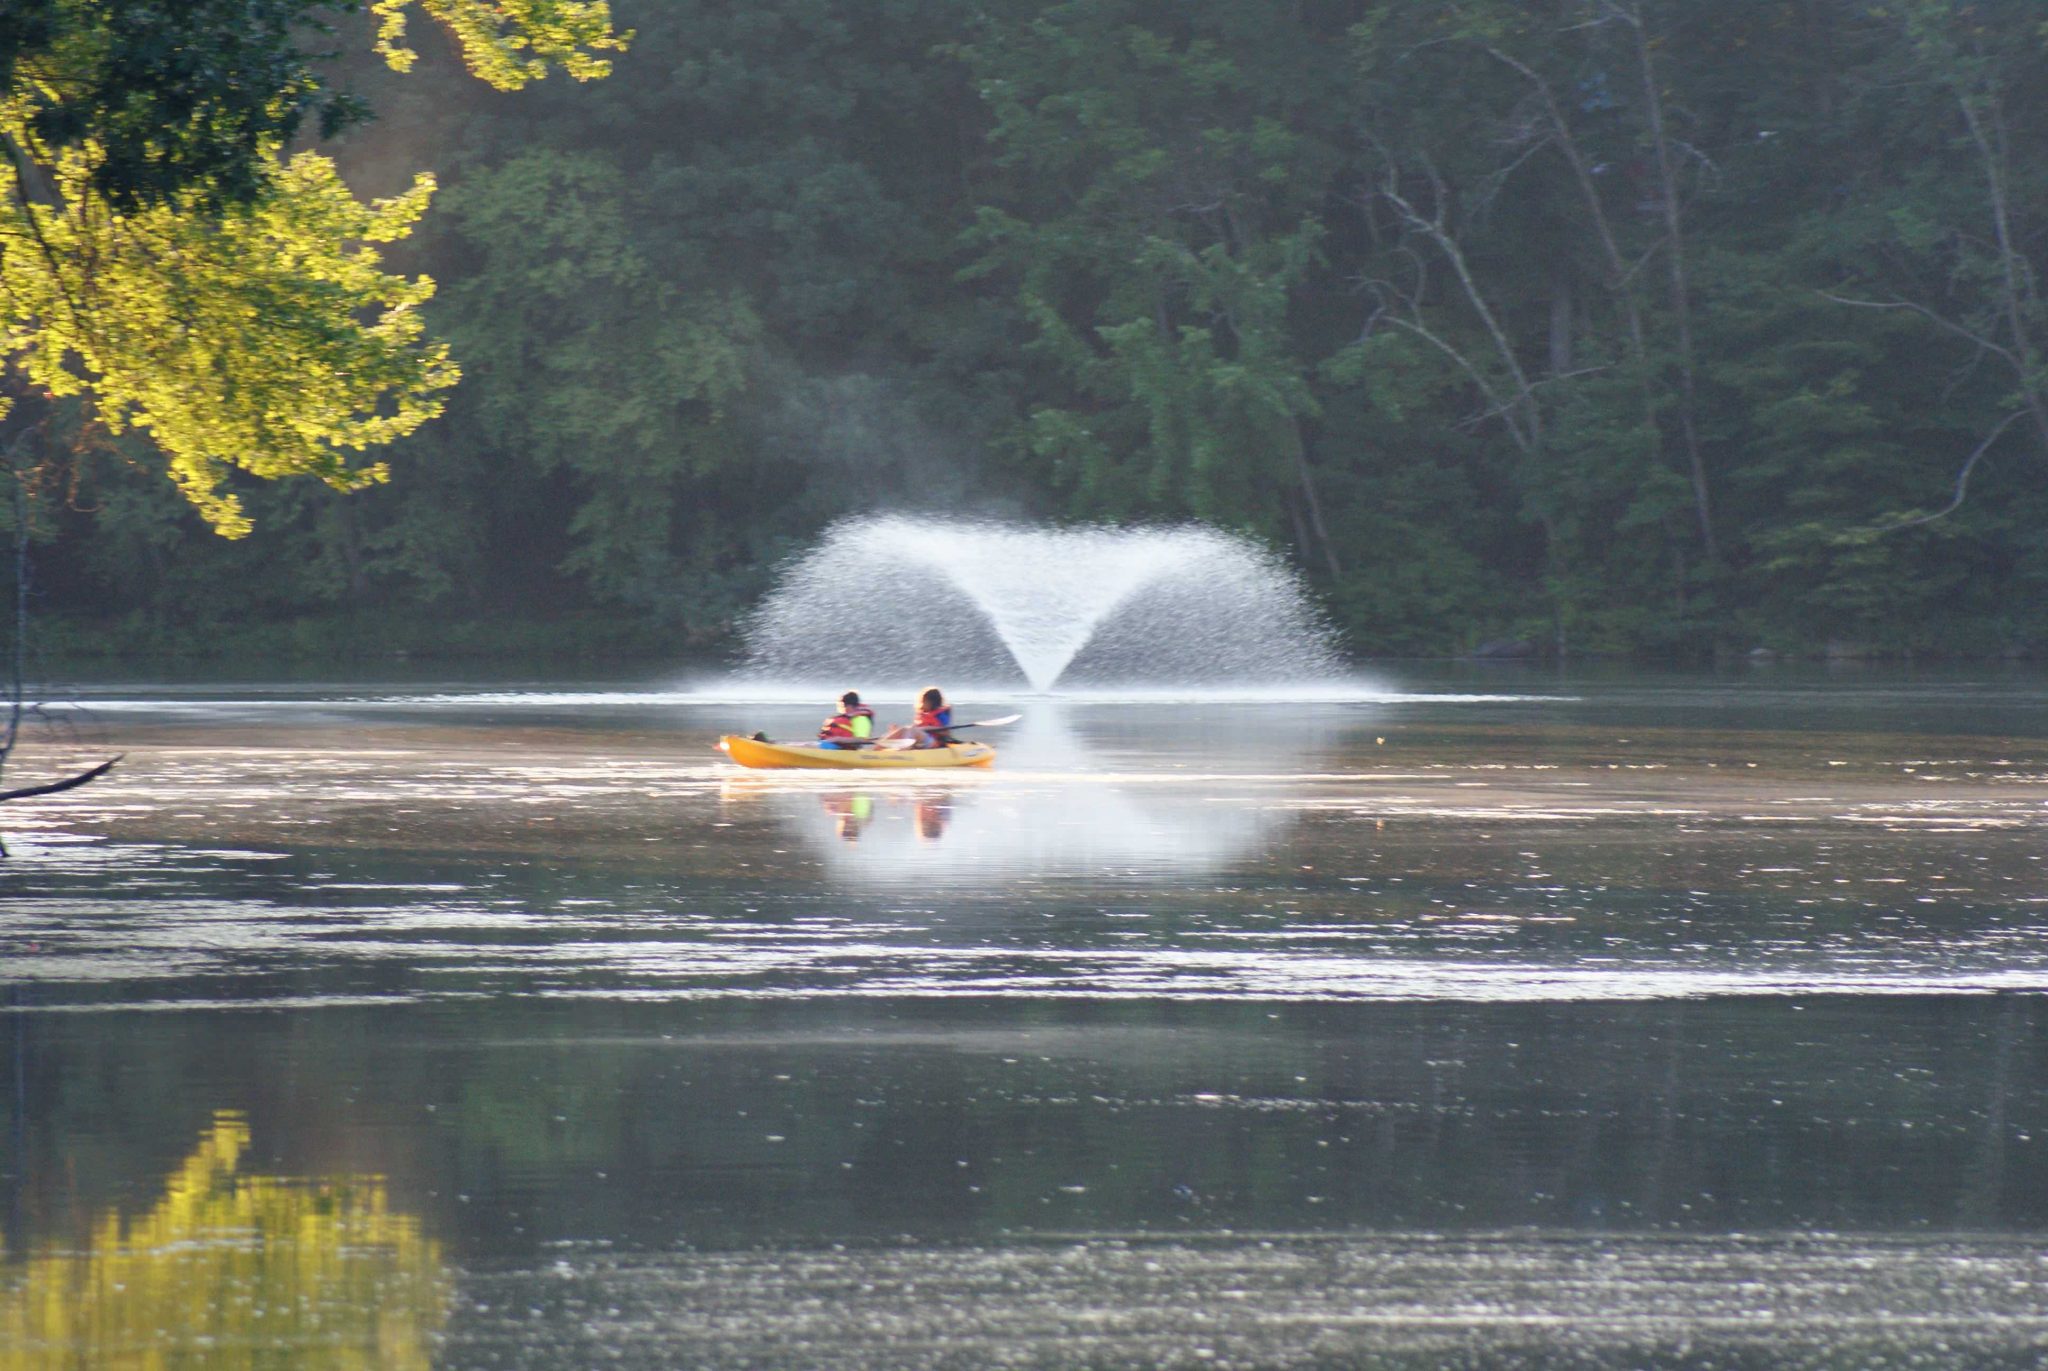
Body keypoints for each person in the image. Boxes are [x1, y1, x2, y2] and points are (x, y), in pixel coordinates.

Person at [884, 686, 954, 749]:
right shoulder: (923, 715)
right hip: (920, 742)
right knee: (904, 729)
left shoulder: (941, 715)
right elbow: (913, 730)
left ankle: (904, 750)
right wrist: (896, 731)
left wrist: (925, 728)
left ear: (932, 702)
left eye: (924, 702)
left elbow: (946, 732)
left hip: (935, 744)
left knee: (911, 729)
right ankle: (877, 750)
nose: (922, 704)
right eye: (922, 701)